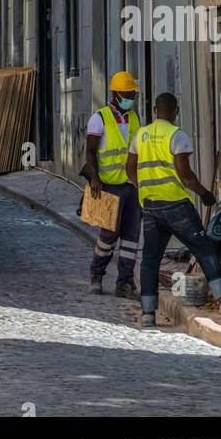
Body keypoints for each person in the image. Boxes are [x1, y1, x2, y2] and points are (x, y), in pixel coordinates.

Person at [126, 92, 221, 328]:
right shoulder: (178, 136)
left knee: (150, 260)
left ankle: (147, 313)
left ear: (155, 111)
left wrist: (142, 189)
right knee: (204, 249)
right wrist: (205, 194)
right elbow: (186, 176)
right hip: (177, 206)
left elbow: (130, 170)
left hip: (151, 206)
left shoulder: (139, 136)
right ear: (175, 111)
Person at [84, 71, 142, 297]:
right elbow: (90, 151)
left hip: (131, 185)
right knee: (108, 235)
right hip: (108, 185)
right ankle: (96, 274)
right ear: (116, 94)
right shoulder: (99, 118)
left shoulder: (135, 118)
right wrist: (95, 178)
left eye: (132, 94)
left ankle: (125, 282)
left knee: (131, 236)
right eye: (127, 94)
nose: (130, 97)